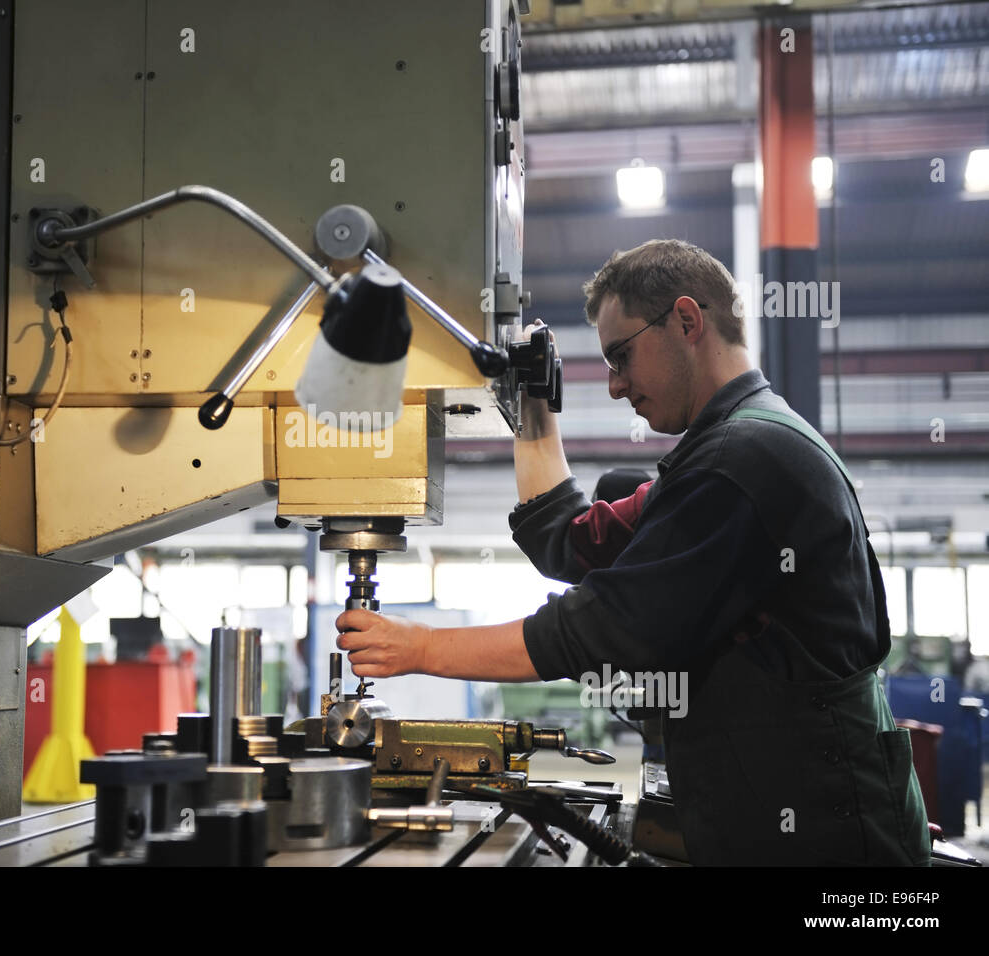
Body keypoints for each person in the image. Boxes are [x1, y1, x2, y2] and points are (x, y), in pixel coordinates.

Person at [336, 239, 931, 866]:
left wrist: (423, 648)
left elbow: (604, 628)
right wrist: (532, 403)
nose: (616, 386)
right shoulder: (719, 454)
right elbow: (569, 540)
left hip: (826, 839)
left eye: (621, 357)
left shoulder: (741, 463)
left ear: (687, 320)